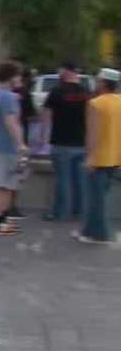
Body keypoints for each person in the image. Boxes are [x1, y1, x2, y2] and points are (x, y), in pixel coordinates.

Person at [75, 68, 121, 244]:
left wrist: (90, 157)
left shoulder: (95, 103)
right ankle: (88, 231)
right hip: (115, 157)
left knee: (97, 199)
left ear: (103, 83)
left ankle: (100, 234)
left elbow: (92, 133)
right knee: (100, 196)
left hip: (99, 158)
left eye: (98, 79)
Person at [41, 62, 91, 221]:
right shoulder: (86, 92)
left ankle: (60, 213)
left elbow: (46, 115)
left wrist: (43, 137)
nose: (59, 72)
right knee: (80, 181)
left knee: (62, 180)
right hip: (81, 143)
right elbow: (91, 117)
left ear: (66, 71)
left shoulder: (56, 91)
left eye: (61, 70)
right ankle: (79, 211)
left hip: (60, 142)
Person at [0, 61, 28, 235]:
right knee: (3, 186)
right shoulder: (8, 97)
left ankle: (1, 221)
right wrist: (21, 144)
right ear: (11, 77)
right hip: (6, 148)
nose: (20, 79)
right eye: (18, 75)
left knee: (3, 185)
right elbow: (11, 123)